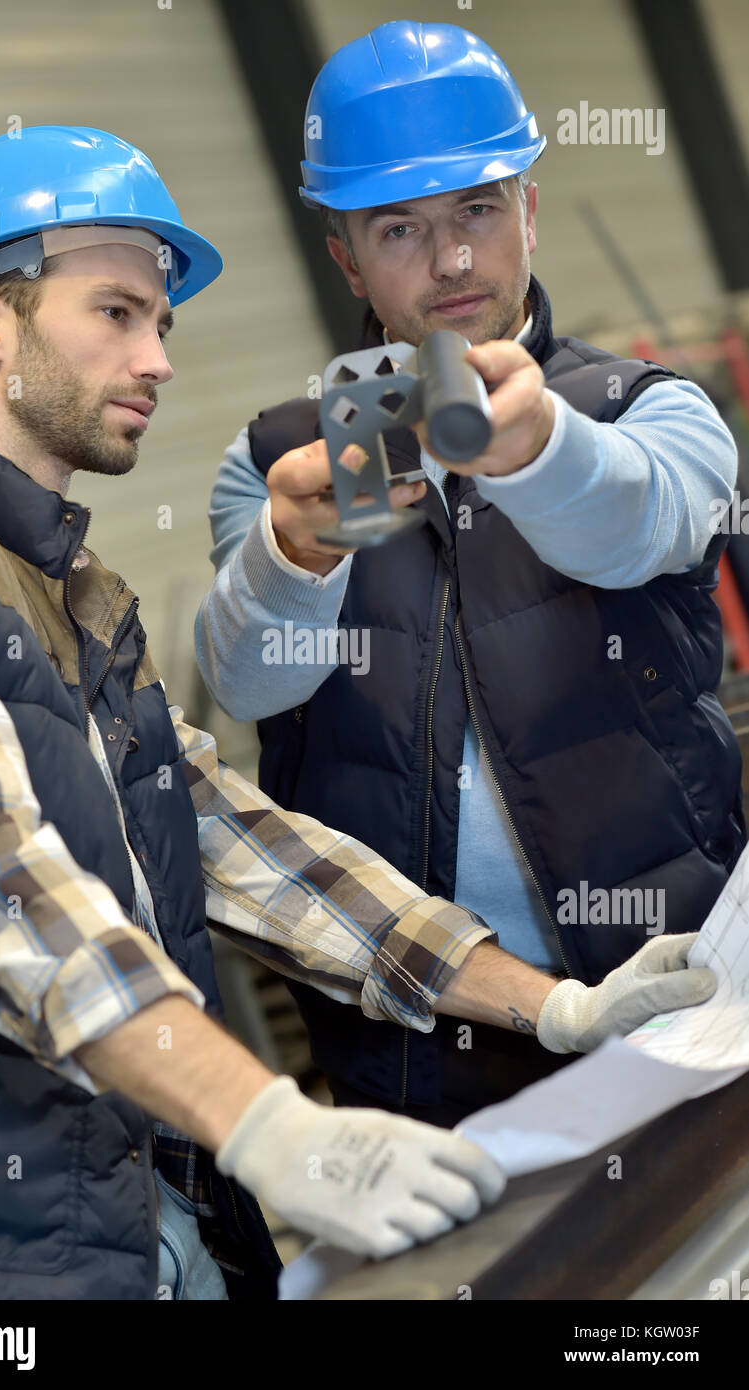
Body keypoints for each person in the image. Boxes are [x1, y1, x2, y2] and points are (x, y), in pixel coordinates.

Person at [0, 123, 719, 1303]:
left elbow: (235, 844)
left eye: (160, 324)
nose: (160, 359)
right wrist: (268, 1123)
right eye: (117, 312)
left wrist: (556, 1004)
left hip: (147, 1215)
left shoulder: (73, 589)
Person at [194, 21, 745, 1128]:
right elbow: (249, 681)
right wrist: (293, 552)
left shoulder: (644, 409)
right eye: (400, 226)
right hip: (425, 1047)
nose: (450, 260)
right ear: (344, 254)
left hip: (680, 987)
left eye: (478, 212)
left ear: (528, 214)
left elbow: (629, 528)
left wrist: (537, 446)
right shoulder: (278, 460)